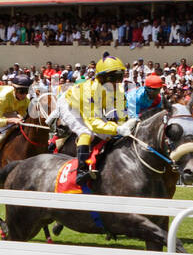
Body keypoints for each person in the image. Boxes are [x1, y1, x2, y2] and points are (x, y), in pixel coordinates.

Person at [56, 55, 136, 185]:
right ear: (102, 78)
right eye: (113, 78)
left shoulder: (118, 89)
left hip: (91, 107)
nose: (117, 82)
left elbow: (121, 114)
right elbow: (93, 123)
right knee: (86, 133)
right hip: (69, 104)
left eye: (120, 77)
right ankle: (81, 171)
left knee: (109, 135)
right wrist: (118, 128)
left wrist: (125, 124)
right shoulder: (89, 91)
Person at [0, 72, 33, 154]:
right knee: (4, 133)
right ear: (15, 89)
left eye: (26, 91)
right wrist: (12, 120)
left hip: (7, 109)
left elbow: (23, 114)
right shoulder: (3, 98)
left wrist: (20, 118)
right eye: (21, 91)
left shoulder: (25, 99)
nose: (24, 95)